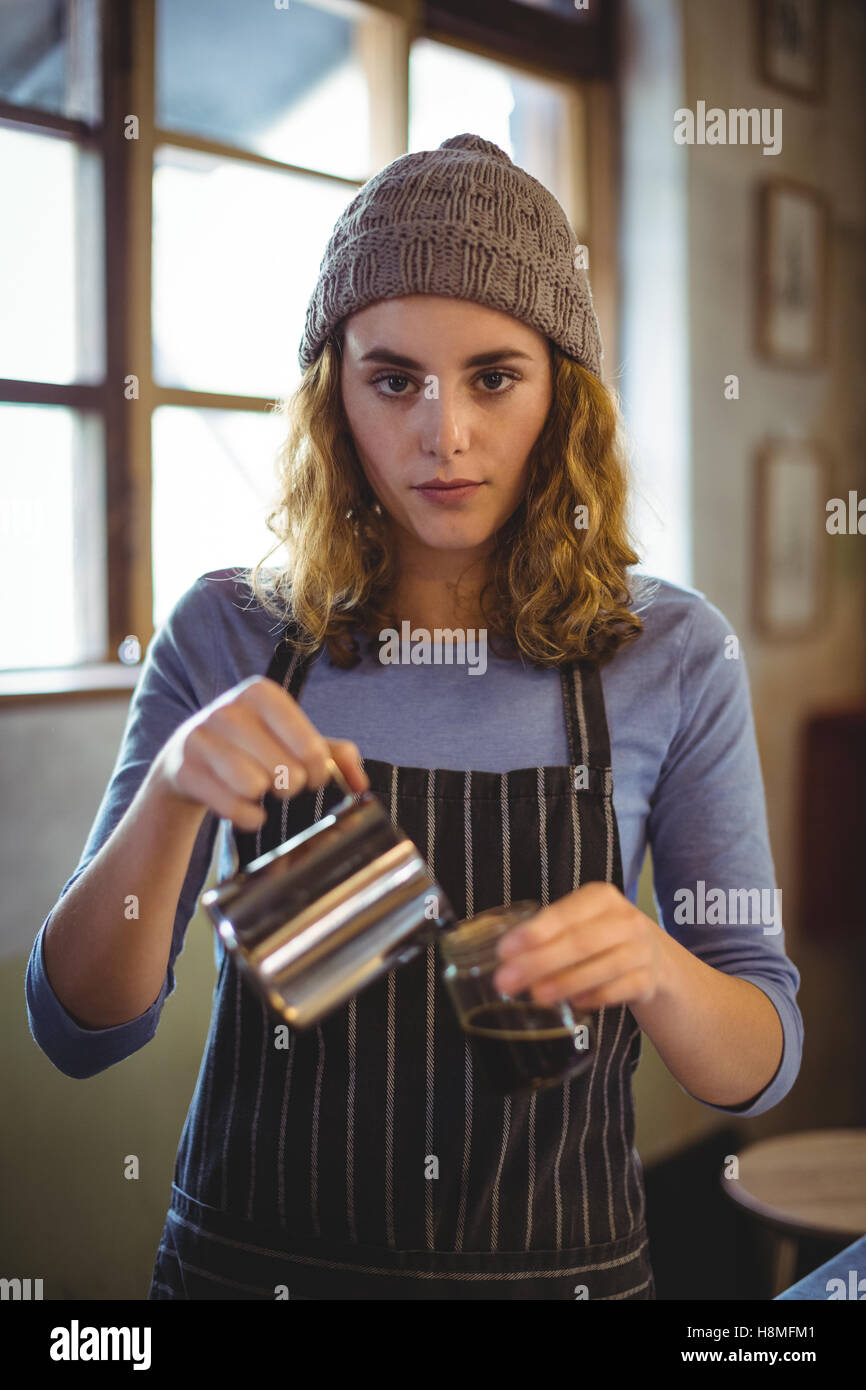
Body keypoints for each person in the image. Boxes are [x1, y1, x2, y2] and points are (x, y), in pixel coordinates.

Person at [26, 133, 803, 1301]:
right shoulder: (227, 632)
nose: (444, 433)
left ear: (562, 392)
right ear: (335, 394)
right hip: (246, 1273)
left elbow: (758, 1067)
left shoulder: (674, 654)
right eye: (394, 378)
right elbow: (79, 1029)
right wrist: (173, 789)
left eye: (493, 376)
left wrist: (651, 964)